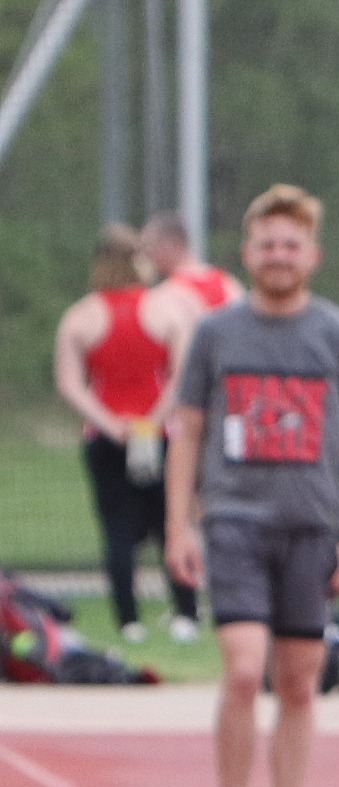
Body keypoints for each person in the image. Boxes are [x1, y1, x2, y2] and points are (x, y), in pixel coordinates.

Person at [163, 184, 339, 787]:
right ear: (246, 253)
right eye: (267, 245)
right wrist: (178, 524)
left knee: (299, 679)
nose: (280, 256)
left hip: (310, 524)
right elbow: (189, 429)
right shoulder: (216, 332)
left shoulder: (338, 334)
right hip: (235, 521)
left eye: (292, 245)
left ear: (311, 255)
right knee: (241, 671)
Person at [53, 224, 204, 644]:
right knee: (170, 522)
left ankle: (129, 621)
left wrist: (109, 422)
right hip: (159, 433)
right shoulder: (165, 310)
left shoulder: (81, 315)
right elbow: (182, 376)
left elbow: (69, 384)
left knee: (116, 528)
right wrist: (151, 421)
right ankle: (186, 615)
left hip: (107, 436)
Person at [140, 211, 245, 317]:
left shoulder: (166, 294)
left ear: (168, 245)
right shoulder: (228, 282)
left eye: (149, 249)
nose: (147, 258)